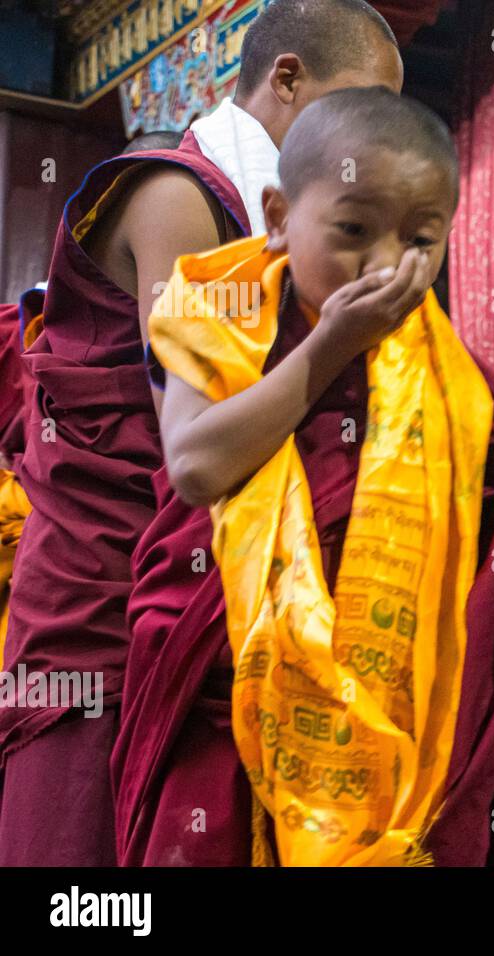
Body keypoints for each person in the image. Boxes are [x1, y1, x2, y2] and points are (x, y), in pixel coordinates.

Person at [112, 87, 494, 866]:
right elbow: (198, 465)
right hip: (226, 685)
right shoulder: (218, 307)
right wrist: (329, 347)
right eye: (353, 230)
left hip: (387, 706)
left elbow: (485, 514)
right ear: (276, 216)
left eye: (419, 241)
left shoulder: (445, 369)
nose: (384, 265)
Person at [0, 0, 406, 865]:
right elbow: (199, 439)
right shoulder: (175, 194)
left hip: (214, 612)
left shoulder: (303, 234)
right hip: (104, 609)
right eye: (364, 103)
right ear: (288, 79)